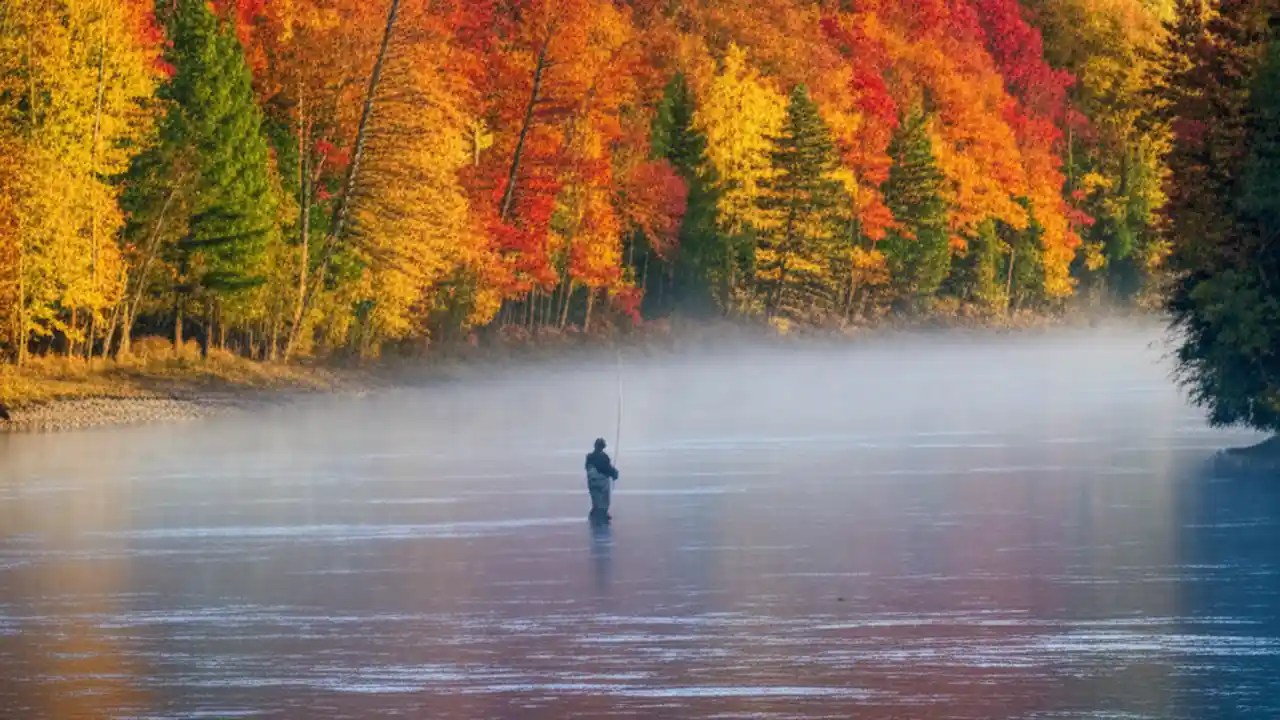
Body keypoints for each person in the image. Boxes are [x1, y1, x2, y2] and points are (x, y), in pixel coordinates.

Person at [585, 438, 619, 521]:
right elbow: (607, 469)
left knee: (595, 498)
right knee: (604, 500)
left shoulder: (589, 457)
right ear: (603, 447)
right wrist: (614, 474)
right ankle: (602, 514)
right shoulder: (604, 457)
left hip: (592, 482)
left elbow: (587, 468)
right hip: (602, 482)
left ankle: (595, 513)